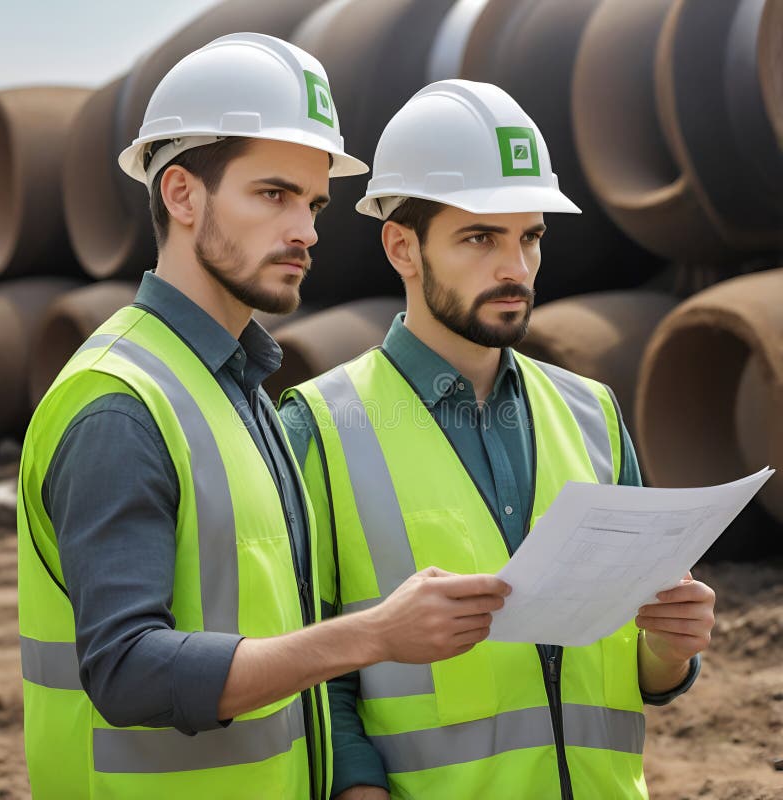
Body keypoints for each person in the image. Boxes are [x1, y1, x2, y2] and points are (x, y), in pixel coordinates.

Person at [16, 41, 511, 799]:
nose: (308, 231)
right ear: (181, 195)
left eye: (312, 204)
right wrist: (373, 635)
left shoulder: (236, 388)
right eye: (273, 195)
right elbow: (126, 670)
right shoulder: (119, 404)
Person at [279, 79, 717, 800]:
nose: (515, 268)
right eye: (480, 238)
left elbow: (639, 669)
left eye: (529, 237)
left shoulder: (592, 413)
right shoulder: (321, 426)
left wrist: (670, 650)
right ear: (403, 248)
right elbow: (302, 670)